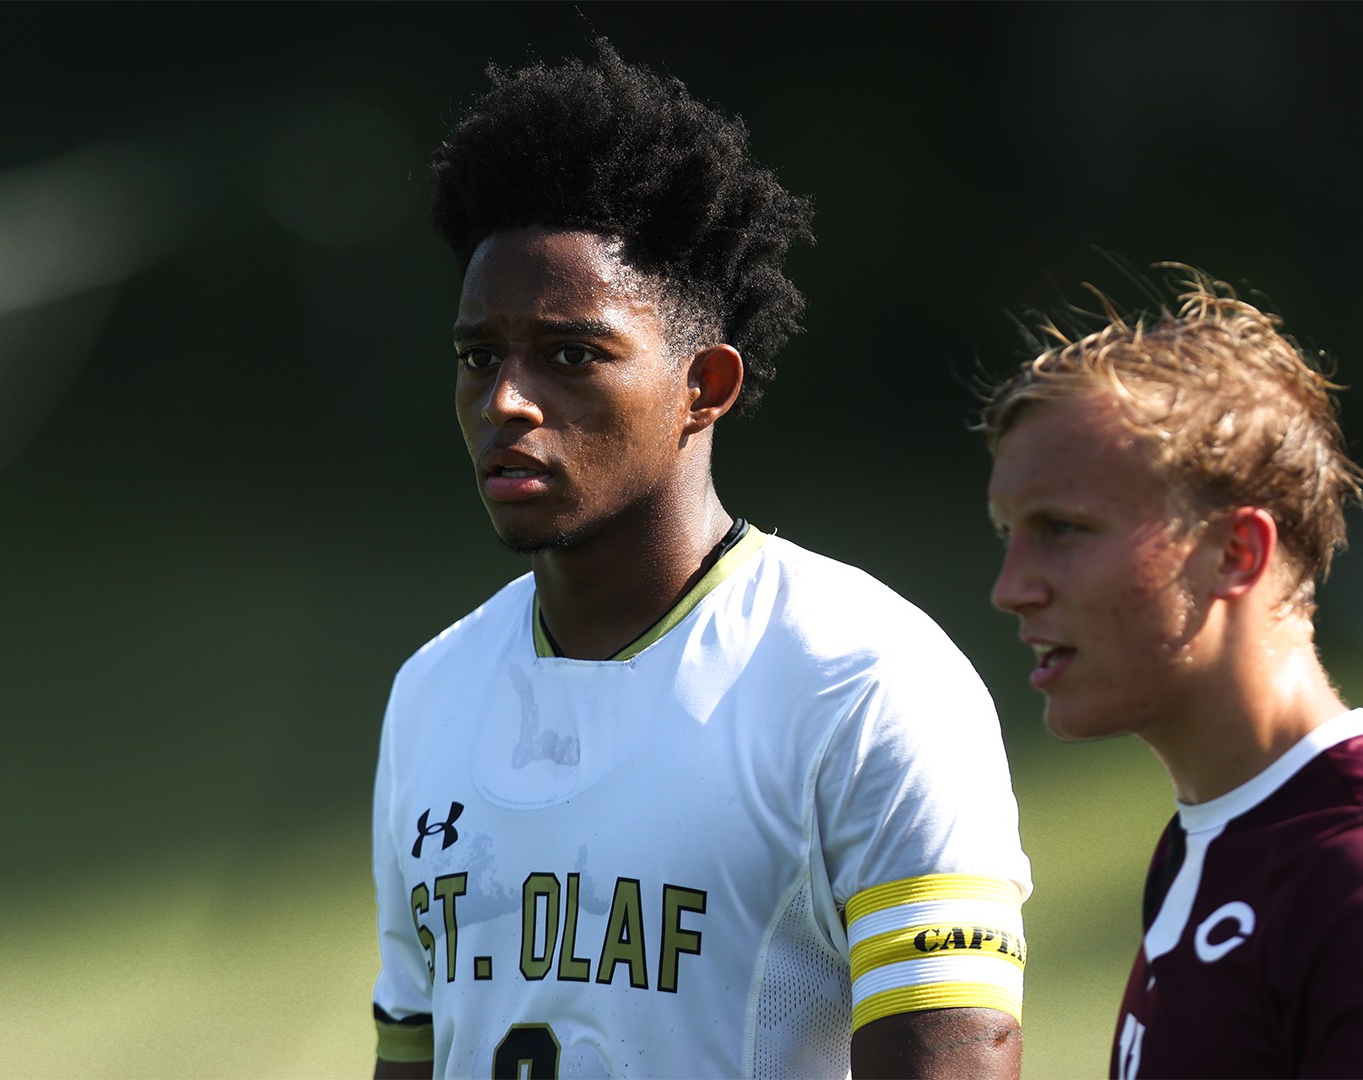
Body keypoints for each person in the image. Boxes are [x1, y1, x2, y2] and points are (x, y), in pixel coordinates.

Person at [370, 41, 1032, 1078]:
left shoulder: (863, 681)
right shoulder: (430, 695)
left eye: (572, 354)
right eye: (477, 356)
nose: (505, 399)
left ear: (705, 385)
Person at [980, 267, 1363, 1078]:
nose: (1011, 589)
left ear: (1236, 553)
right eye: (1009, 533)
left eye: (1062, 530)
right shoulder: (1215, 839)